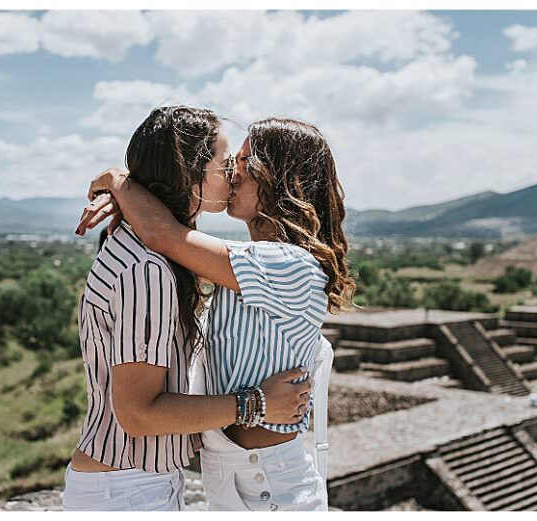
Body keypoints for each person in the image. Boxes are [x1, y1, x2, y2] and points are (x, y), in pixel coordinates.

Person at [78, 116, 357, 510]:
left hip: (271, 485)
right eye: (232, 162)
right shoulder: (243, 267)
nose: (233, 174)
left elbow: (164, 234)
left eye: (245, 164)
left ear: (281, 180)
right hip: (229, 478)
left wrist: (121, 182)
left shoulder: (290, 265)